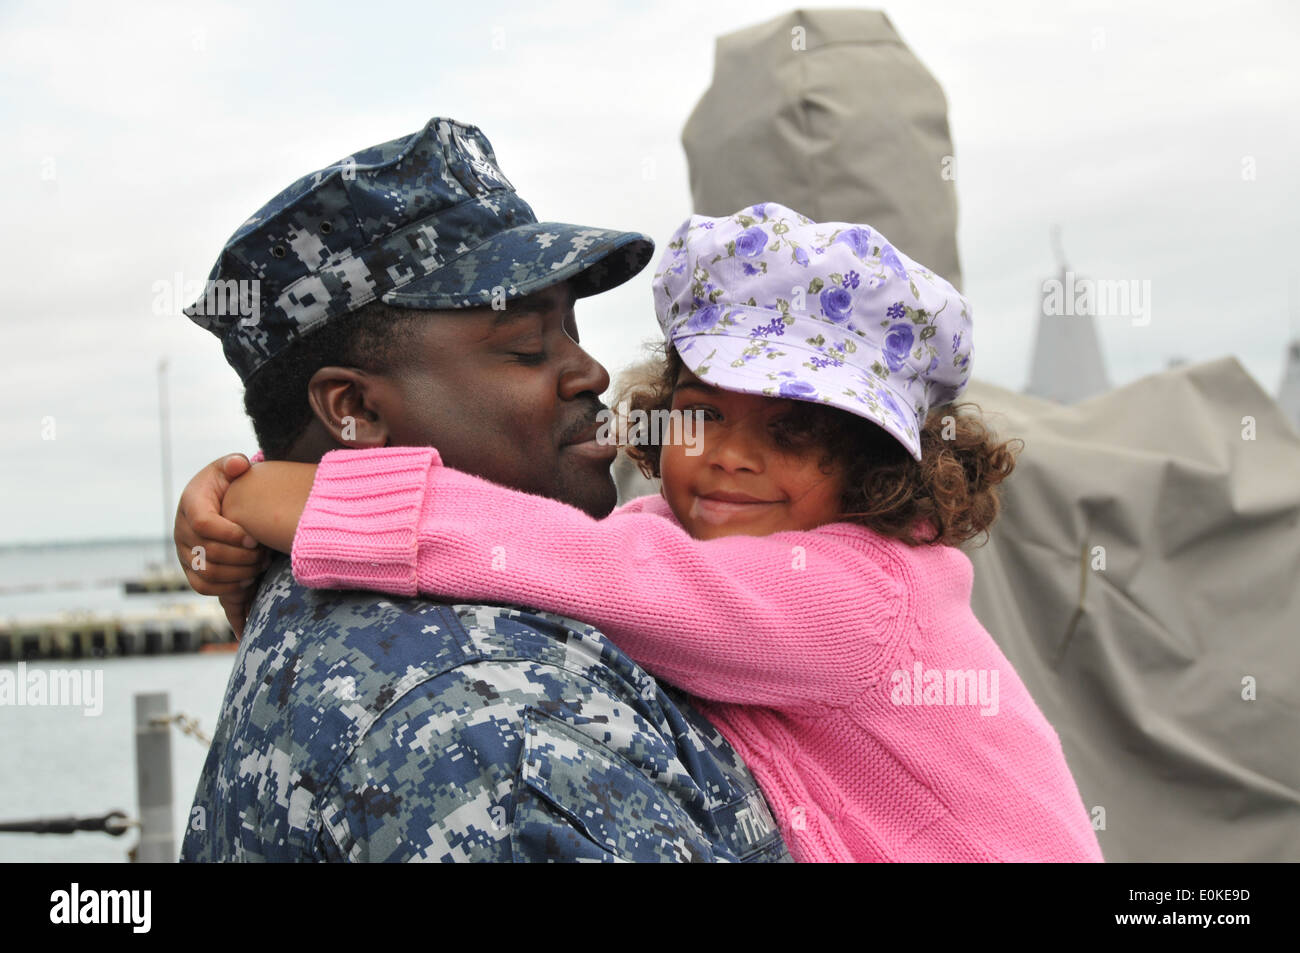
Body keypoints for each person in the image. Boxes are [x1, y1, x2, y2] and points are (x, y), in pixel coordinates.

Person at [185, 203, 1105, 862]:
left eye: (792, 431)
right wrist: (252, 532)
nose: (731, 458)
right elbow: (599, 557)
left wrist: (314, 501)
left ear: (874, 469)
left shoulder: (860, 592)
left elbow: (593, 566)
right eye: (702, 416)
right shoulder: (677, 547)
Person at [173, 118, 791, 862]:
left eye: (572, 328)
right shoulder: (492, 727)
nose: (591, 372)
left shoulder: (370, 606)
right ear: (356, 410)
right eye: (527, 346)